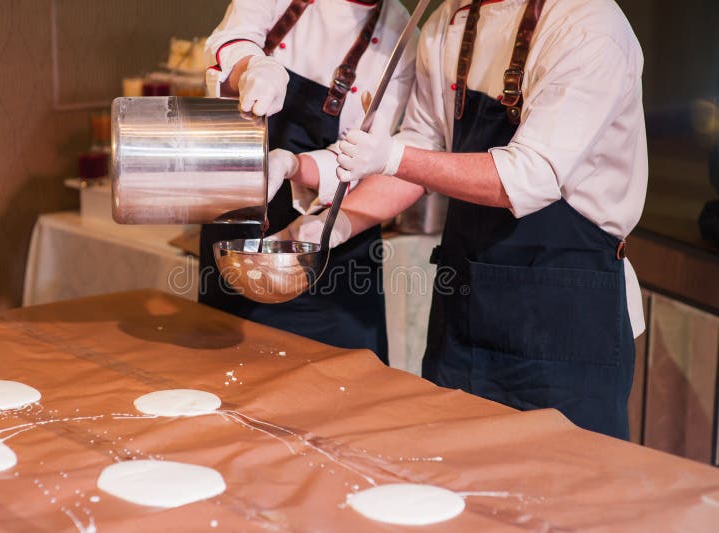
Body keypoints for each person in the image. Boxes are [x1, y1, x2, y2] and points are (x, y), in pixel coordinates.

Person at [276, 0, 647, 439]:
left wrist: (392, 156)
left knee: (564, 492)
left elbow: (528, 176)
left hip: (565, 321)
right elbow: (422, 147)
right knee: (449, 487)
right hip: (466, 317)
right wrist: (333, 224)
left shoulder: (589, 25)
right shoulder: (447, 21)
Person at [200, 0, 418, 364]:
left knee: (339, 392)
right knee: (228, 376)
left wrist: (291, 165)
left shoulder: (402, 38)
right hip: (239, 240)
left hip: (332, 245)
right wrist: (254, 66)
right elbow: (231, 37)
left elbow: (363, 156)